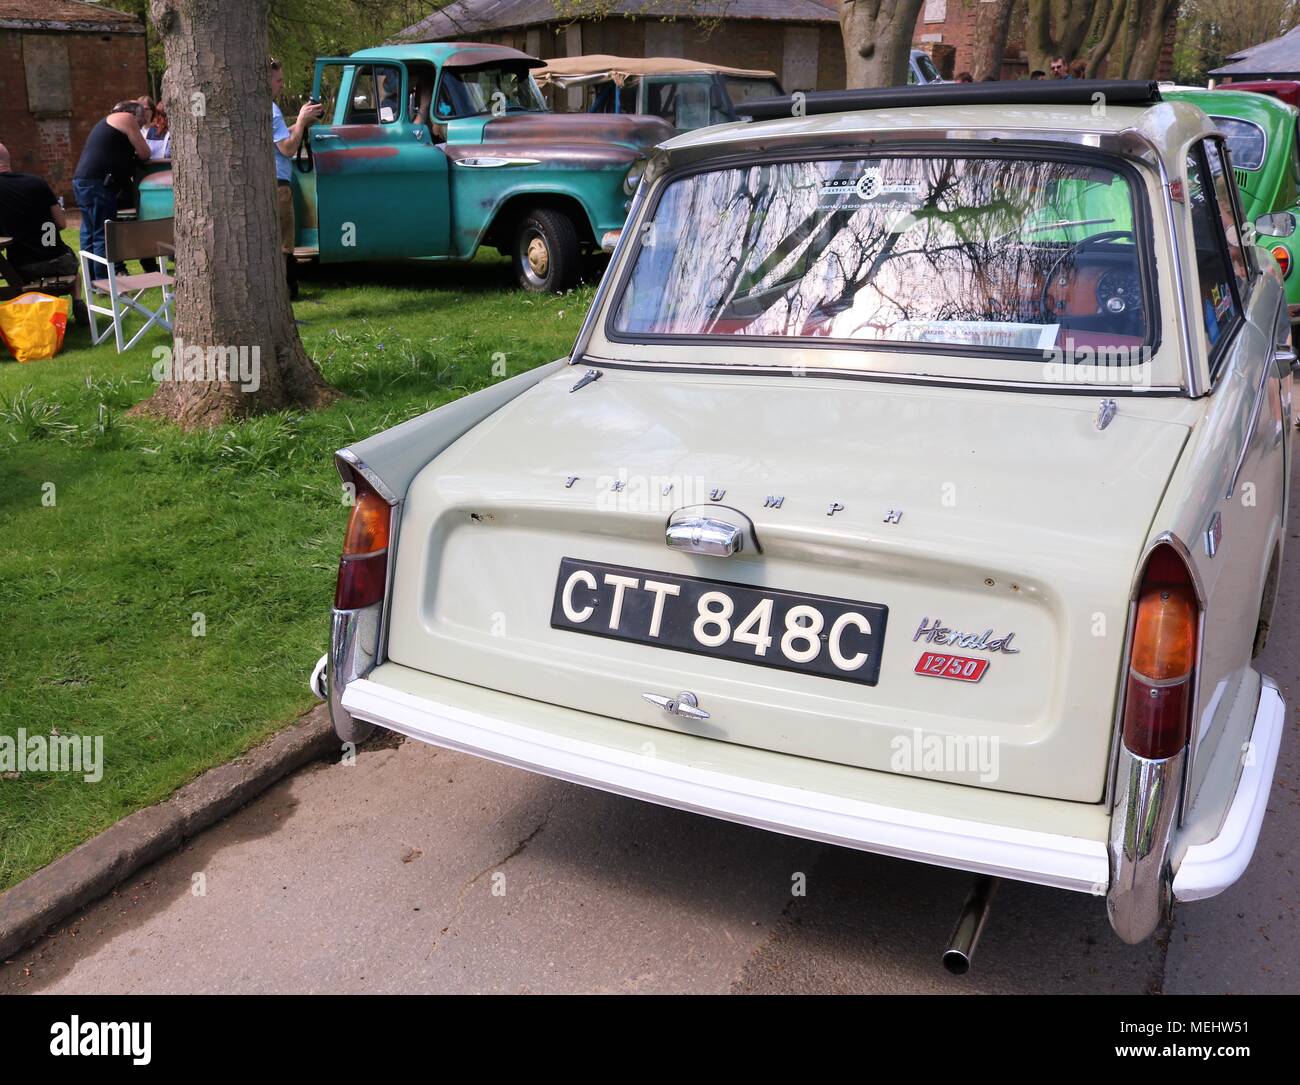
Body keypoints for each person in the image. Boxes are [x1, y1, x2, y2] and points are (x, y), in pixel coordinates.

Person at [0, 142, 84, 320]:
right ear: (8, 160)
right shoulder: (36, 182)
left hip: (22, 268)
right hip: (60, 261)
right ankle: (77, 299)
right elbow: (61, 224)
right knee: (73, 269)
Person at [270, 60, 323, 299]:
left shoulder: (257, 108)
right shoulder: (272, 110)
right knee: (284, 243)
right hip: (279, 185)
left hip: (266, 183)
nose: (281, 85)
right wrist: (301, 122)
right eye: (279, 80)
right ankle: (286, 293)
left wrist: (298, 123)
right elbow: (288, 149)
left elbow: (277, 136)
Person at [72, 101, 151, 260]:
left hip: (84, 180)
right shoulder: (126, 118)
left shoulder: (107, 123)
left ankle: (92, 280)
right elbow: (145, 153)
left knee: (90, 232)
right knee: (104, 234)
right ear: (132, 113)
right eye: (142, 118)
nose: (143, 123)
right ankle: (104, 280)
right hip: (99, 183)